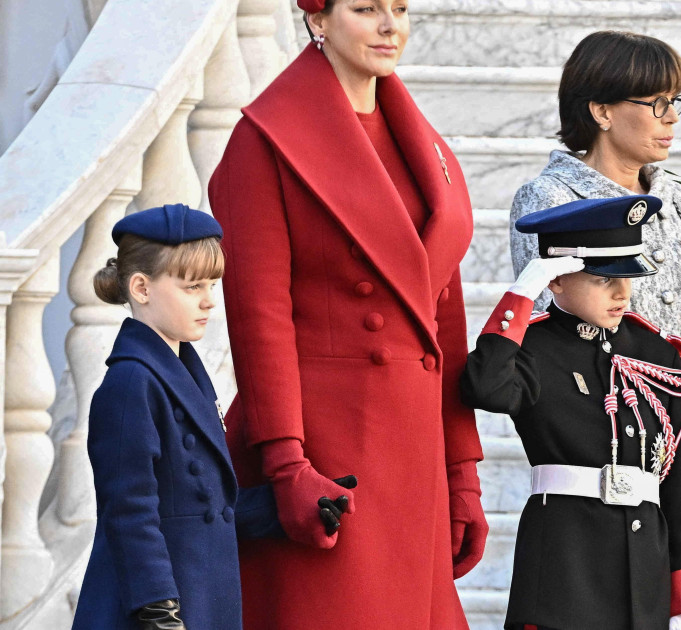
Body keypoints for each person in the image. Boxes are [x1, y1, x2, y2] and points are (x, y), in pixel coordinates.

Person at [208, 0, 486, 627]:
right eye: (366, 8)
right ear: (317, 19)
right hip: (329, 458)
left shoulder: (425, 144)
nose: (391, 26)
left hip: (413, 457)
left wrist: (461, 473)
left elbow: (442, 323)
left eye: (401, 8)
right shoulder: (264, 140)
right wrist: (286, 466)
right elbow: (260, 318)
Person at [509, 31, 681, 624]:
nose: (670, 119)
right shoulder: (548, 197)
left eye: (676, 102)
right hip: (599, 481)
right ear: (602, 110)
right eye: (654, 103)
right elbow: (546, 338)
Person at [464, 195, 681, 630]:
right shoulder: (531, 349)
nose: (621, 292)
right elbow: (486, 388)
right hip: (563, 570)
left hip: (645, 575)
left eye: (628, 275)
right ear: (556, 280)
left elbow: (680, 483)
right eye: (600, 278)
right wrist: (521, 293)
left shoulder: (657, 353)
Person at [73, 204, 286, 630]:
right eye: (191, 287)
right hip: (153, 612)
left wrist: (292, 509)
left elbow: (207, 504)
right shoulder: (131, 383)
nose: (209, 301)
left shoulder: (186, 374)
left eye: (211, 284)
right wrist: (158, 613)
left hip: (202, 600)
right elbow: (129, 513)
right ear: (141, 287)